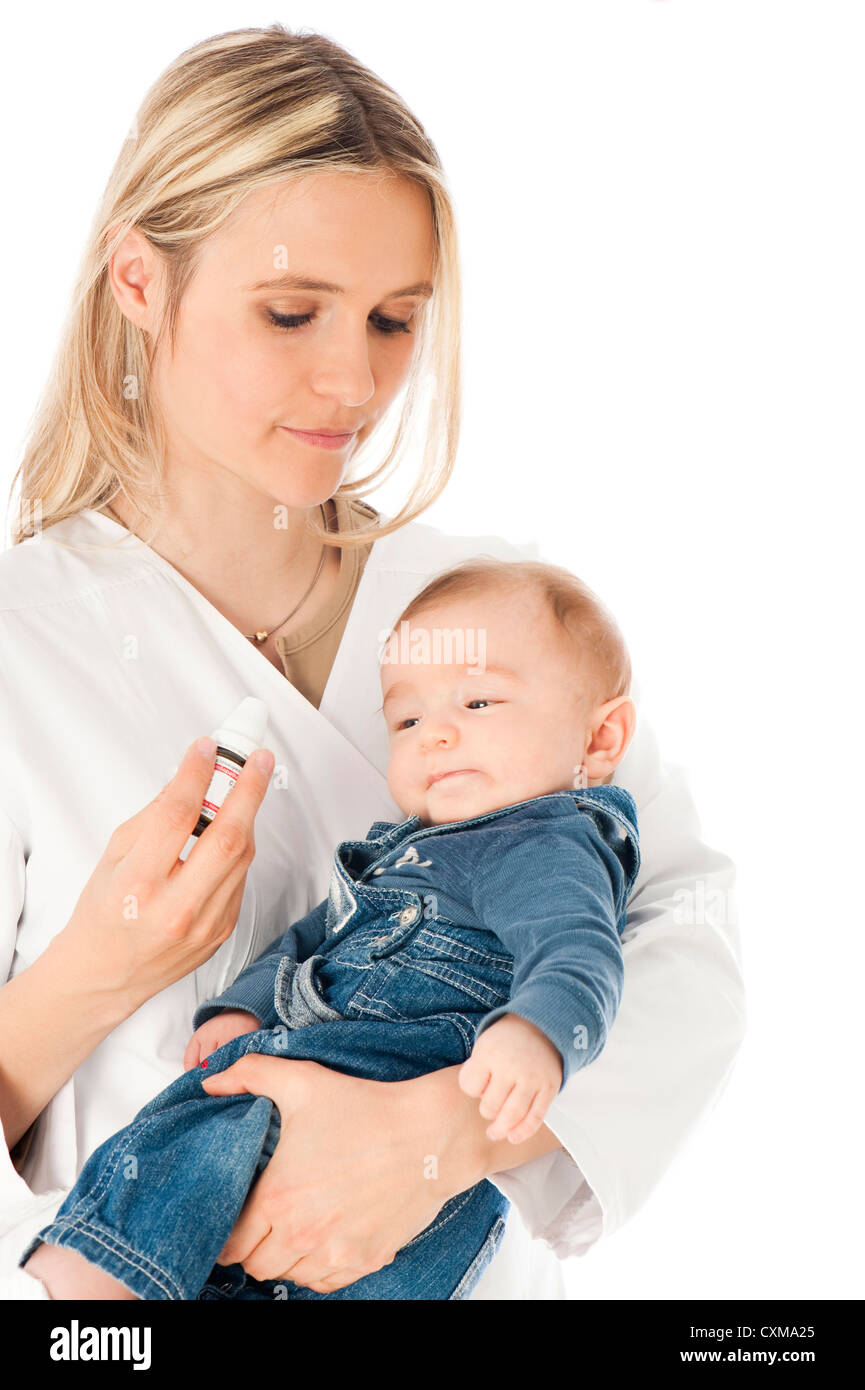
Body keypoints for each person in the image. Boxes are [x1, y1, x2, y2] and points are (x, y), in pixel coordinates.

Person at [0, 24, 745, 1301]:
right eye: (291, 312)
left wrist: (441, 1139)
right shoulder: (23, 643)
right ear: (138, 280)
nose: (354, 380)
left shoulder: (490, 610)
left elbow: (683, 938)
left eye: (396, 319)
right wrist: (94, 971)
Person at [20, 558, 641, 1300]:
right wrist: (242, 1005)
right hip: (332, 1088)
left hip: (392, 1086)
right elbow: (316, 936)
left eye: (477, 704)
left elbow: (578, 954)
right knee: (219, 1143)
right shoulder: (404, 853)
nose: (434, 735)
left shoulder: (543, 845)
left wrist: (535, 1033)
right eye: (406, 720)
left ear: (600, 740)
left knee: (199, 1130)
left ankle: (106, 1269)